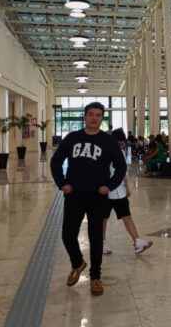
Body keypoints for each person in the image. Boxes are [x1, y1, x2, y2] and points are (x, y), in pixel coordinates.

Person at [50, 101, 126, 296]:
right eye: (91, 114)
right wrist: (62, 183)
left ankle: (95, 278)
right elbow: (56, 161)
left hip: (97, 196)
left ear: (102, 118)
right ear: (84, 117)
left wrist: (109, 185)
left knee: (96, 238)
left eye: (98, 115)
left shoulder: (108, 141)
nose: (94, 117)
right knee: (68, 234)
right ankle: (77, 263)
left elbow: (121, 166)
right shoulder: (72, 138)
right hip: (74, 194)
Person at [102, 128, 153, 256]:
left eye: (123, 143)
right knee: (104, 218)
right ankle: (102, 243)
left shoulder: (118, 152)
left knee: (125, 216)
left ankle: (137, 242)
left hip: (117, 191)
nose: (122, 145)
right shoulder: (109, 152)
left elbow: (122, 171)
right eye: (120, 143)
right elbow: (113, 172)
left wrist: (127, 187)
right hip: (110, 191)